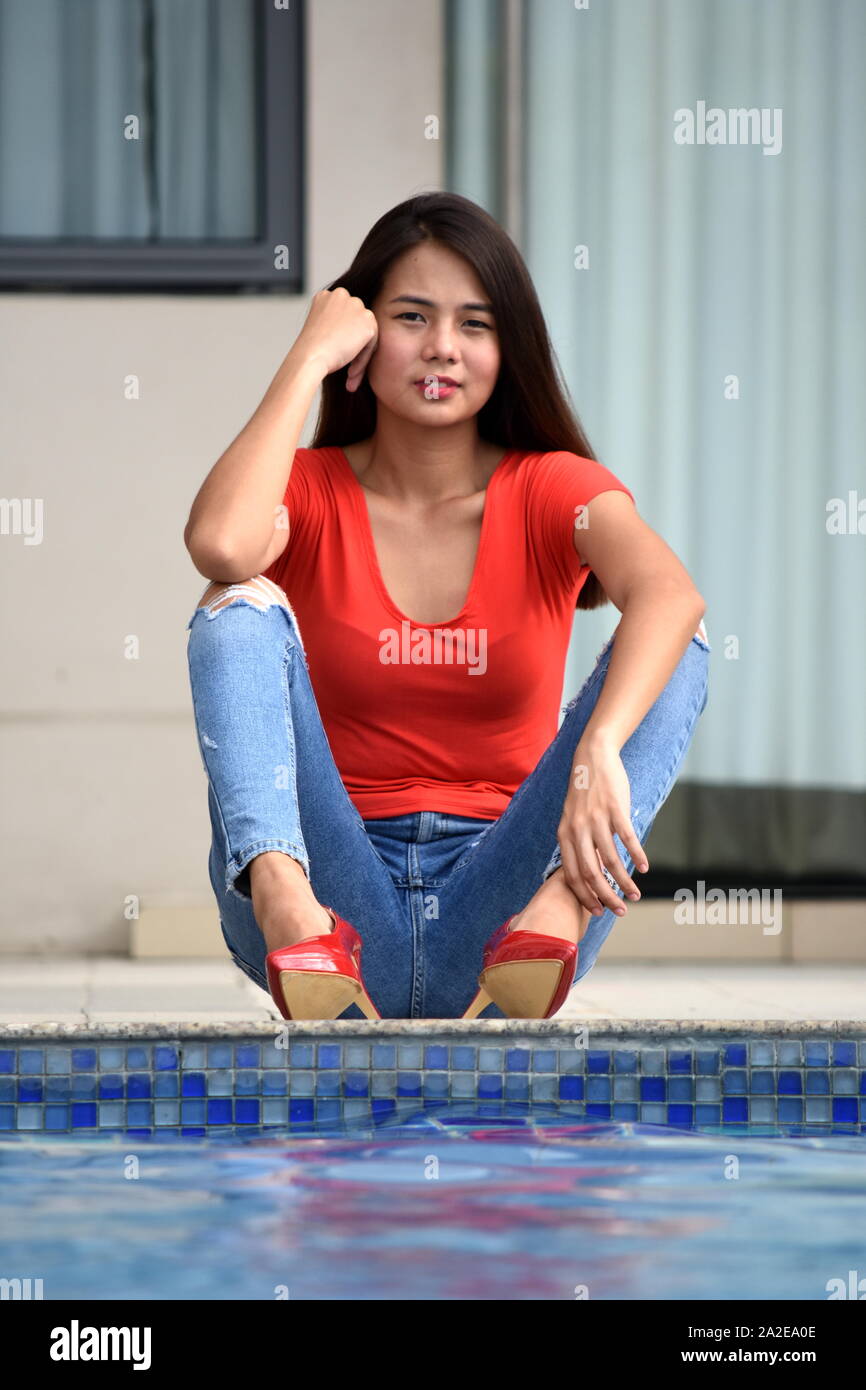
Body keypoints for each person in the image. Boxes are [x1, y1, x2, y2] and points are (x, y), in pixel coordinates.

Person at [184, 192, 709, 1022]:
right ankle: (281, 899)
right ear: (363, 334)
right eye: (411, 317)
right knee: (234, 605)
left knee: (681, 638)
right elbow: (218, 543)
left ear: (509, 346)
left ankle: (560, 915)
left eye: (475, 323)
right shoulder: (311, 494)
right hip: (330, 904)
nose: (442, 349)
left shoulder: (550, 490)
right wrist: (306, 357)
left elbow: (671, 593)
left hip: (505, 913)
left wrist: (601, 747)